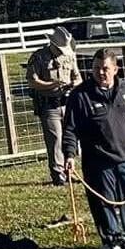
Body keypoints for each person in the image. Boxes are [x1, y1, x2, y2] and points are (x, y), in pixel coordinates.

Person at [60, 48, 125, 244]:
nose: (100, 72)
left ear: (115, 69)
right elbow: (70, 129)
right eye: (96, 68)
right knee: (103, 205)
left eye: (105, 68)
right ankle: (113, 244)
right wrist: (69, 155)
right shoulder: (80, 96)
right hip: (98, 164)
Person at [25, 27, 81, 186]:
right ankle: (58, 174)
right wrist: (52, 85)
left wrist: (72, 85)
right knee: (55, 139)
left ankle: (70, 171)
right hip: (49, 105)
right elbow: (32, 80)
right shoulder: (39, 57)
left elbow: (78, 78)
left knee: (69, 138)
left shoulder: (70, 56)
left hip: (67, 103)